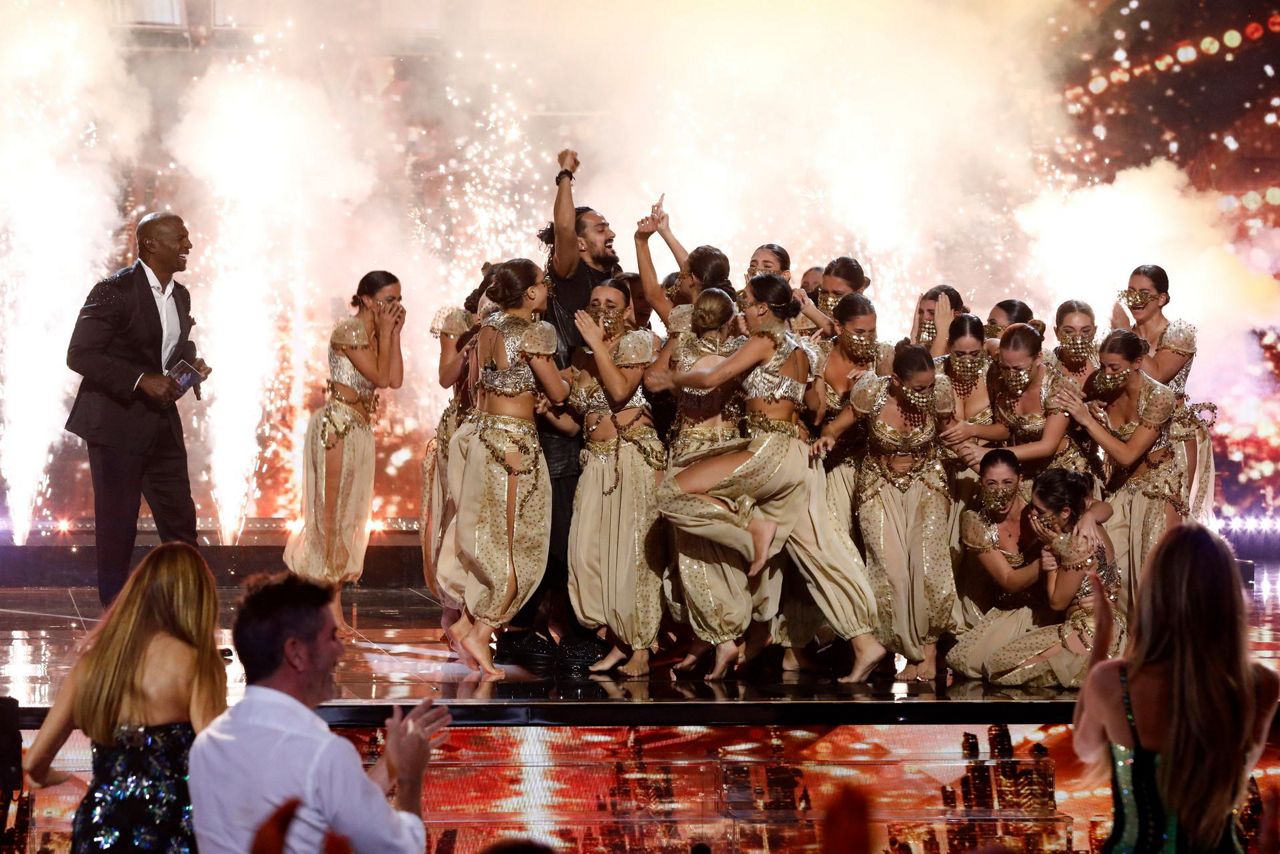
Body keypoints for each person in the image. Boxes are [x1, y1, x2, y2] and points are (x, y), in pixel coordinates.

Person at [657, 274, 882, 680]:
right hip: (799, 457)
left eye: (746, 301)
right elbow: (815, 409)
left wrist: (673, 379)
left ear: (763, 307)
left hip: (768, 452)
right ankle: (865, 643)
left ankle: (751, 529)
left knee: (673, 492)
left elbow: (710, 379)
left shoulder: (766, 340)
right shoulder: (804, 350)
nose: (742, 307)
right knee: (820, 551)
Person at [189, 572, 452, 853]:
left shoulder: (207, 745)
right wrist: (410, 779)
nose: (341, 651)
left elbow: (331, 809)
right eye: (331, 637)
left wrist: (390, 766)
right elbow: (400, 849)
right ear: (296, 653)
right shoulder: (323, 753)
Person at [1073, 524, 1278, 852]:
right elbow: (1238, 770)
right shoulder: (1260, 684)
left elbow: (1086, 750)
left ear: (1154, 594)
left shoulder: (1113, 682)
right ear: (1229, 595)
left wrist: (1102, 637)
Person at [24, 543, 227, 852]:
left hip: (100, 827)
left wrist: (63, 779)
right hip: (170, 831)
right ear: (198, 599)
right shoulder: (198, 662)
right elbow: (218, 760)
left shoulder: (94, 664)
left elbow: (35, 763)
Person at [66, 211, 211, 606]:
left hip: (160, 425)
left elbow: (173, 347)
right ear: (150, 244)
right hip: (115, 427)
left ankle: (190, 622)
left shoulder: (180, 295)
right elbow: (80, 354)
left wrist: (191, 365)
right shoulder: (114, 290)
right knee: (118, 529)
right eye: (179, 238)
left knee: (181, 524)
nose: (188, 245)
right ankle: (114, 626)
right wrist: (140, 380)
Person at [436, 259, 569, 676]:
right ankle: (483, 630)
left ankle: (467, 624)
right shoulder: (533, 333)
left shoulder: (487, 330)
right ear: (530, 293)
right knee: (521, 547)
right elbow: (558, 391)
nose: (546, 290)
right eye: (543, 284)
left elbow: (478, 388)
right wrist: (567, 379)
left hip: (485, 440)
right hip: (516, 447)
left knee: (493, 540)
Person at [520, 149, 620, 670]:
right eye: (600, 227)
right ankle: (542, 628)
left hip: (599, 418)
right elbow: (563, 226)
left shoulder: (613, 280)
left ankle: (574, 624)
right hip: (561, 417)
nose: (611, 232)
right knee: (559, 528)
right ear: (578, 242)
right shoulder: (569, 270)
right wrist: (565, 175)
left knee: (588, 529)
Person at [816, 342, 956, 683]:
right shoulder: (872, 393)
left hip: (926, 483)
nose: (925, 394)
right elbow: (836, 426)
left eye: (929, 386)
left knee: (927, 568)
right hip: (879, 486)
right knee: (890, 571)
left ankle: (929, 649)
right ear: (895, 380)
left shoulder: (939, 392)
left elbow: (955, 433)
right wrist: (827, 439)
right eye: (918, 388)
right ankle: (904, 650)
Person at [284, 271, 405, 635]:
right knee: (330, 511)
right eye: (387, 300)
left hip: (358, 429)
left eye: (398, 300)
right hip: (335, 426)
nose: (395, 307)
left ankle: (327, 600)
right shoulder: (349, 331)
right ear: (367, 299)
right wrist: (385, 333)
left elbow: (394, 379)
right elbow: (380, 377)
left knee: (351, 512)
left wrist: (393, 334)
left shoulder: (376, 332)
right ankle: (324, 602)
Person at [564, 281, 666, 677]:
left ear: (626, 311)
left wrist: (597, 345)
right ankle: (618, 640)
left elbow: (622, 391)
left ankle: (639, 647)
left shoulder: (639, 342)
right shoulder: (582, 356)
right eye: (594, 304)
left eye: (612, 304)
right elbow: (574, 415)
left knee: (632, 558)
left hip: (632, 458)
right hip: (595, 461)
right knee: (586, 556)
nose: (602, 310)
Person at [645, 288, 744, 670]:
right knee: (714, 549)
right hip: (722, 453)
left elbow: (653, 378)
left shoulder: (682, 348)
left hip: (690, 454)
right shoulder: (739, 351)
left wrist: (672, 376)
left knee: (695, 549)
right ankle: (712, 636)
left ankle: (721, 637)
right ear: (729, 318)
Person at [1052, 330, 1185, 616]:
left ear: (1137, 362)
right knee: (1113, 567)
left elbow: (1127, 454)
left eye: (1115, 367)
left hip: (1155, 491)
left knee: (1149, 574)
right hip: (1120, 489)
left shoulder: (1159, 397)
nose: (1107, 373)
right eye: (1102, 366)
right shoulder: (1103, 385)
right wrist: (1087, 408)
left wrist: (1086, 420)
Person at [986, 468, 1125, 688]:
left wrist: (1051, 555)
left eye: (1039, 511)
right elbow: (1101, 507)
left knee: (1000, 665)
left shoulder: (1078, 543)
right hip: (1105, 626)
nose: (1033, 516)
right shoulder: (1087, 522)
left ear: (1065, 512)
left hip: (1090, 632)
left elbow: (1056, 602)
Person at [1112, 263, 1215, 523]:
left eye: (1144, 293)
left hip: (1172, 436)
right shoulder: (1126, 337)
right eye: (1131, 292)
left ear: (1162, 298)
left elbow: (1157, 374)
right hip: (1131, 431)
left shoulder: (1179, 334)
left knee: (1163, 521)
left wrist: (1123, 336)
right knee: (1126, 515)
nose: (1135, 300)